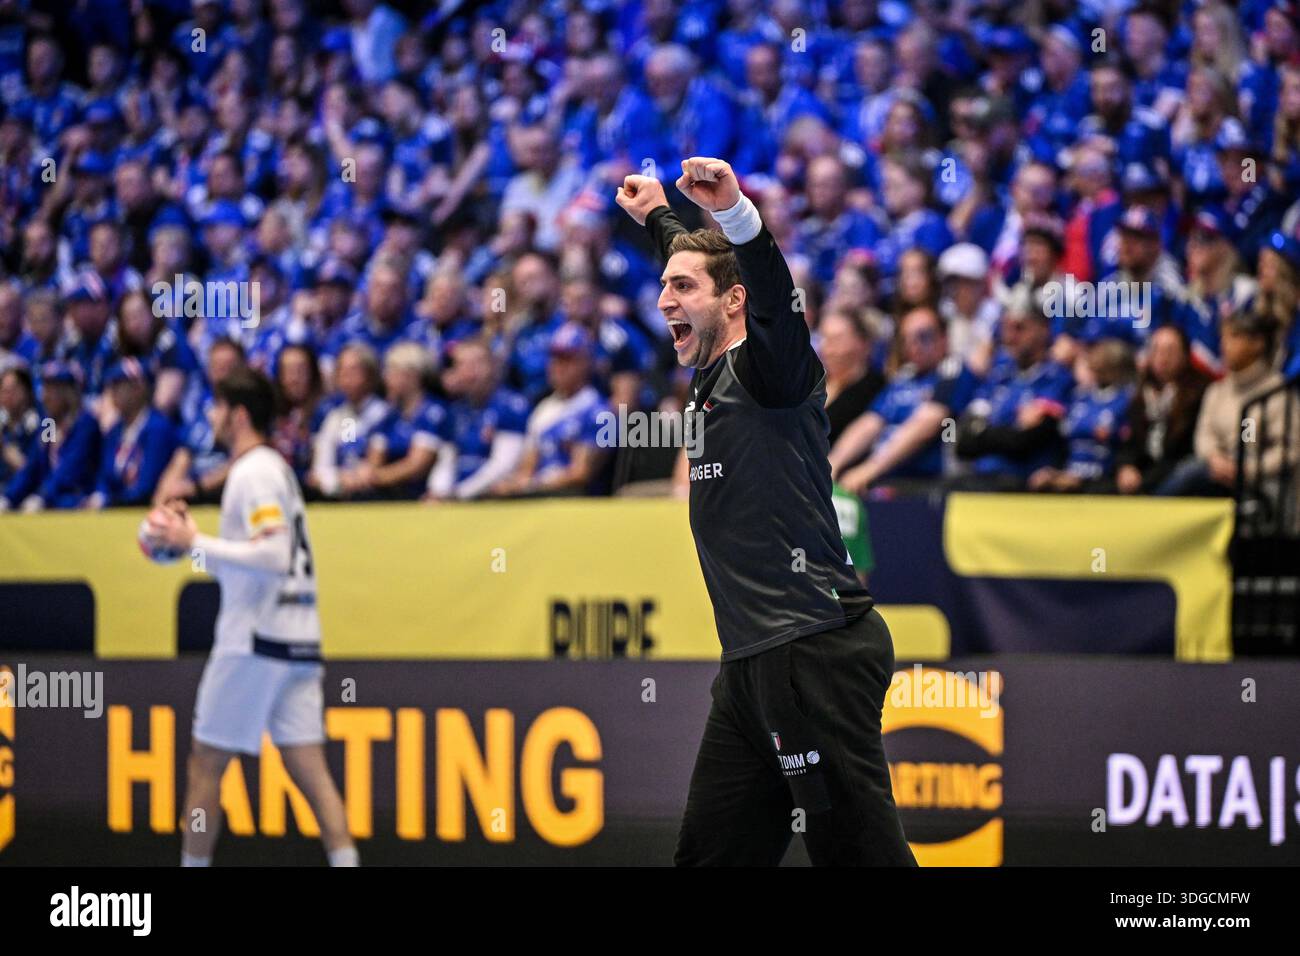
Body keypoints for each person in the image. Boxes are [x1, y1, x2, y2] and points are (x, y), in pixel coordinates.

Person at [615, 158, 914, 866]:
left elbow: (774, 298)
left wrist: (738, 213)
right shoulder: (712, 369)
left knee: (858, 852)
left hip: (812, 650)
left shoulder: (771, 372)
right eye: (662, 287)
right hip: (752, 665)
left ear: (735, 303)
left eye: (680, 289)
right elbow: (702, 272)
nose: (665, 300)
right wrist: (661, 215)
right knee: (712, 855)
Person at [147, 367, 357, 867]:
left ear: (238, 415)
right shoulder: (274, 469)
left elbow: (273, 555)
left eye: (217, 408)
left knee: (205, 765)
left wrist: (191, 542)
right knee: (311, 771)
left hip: (255, 644)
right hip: (298, 640)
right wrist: (192, 546)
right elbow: (248, 560)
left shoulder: (254, 471)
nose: (211, 417)